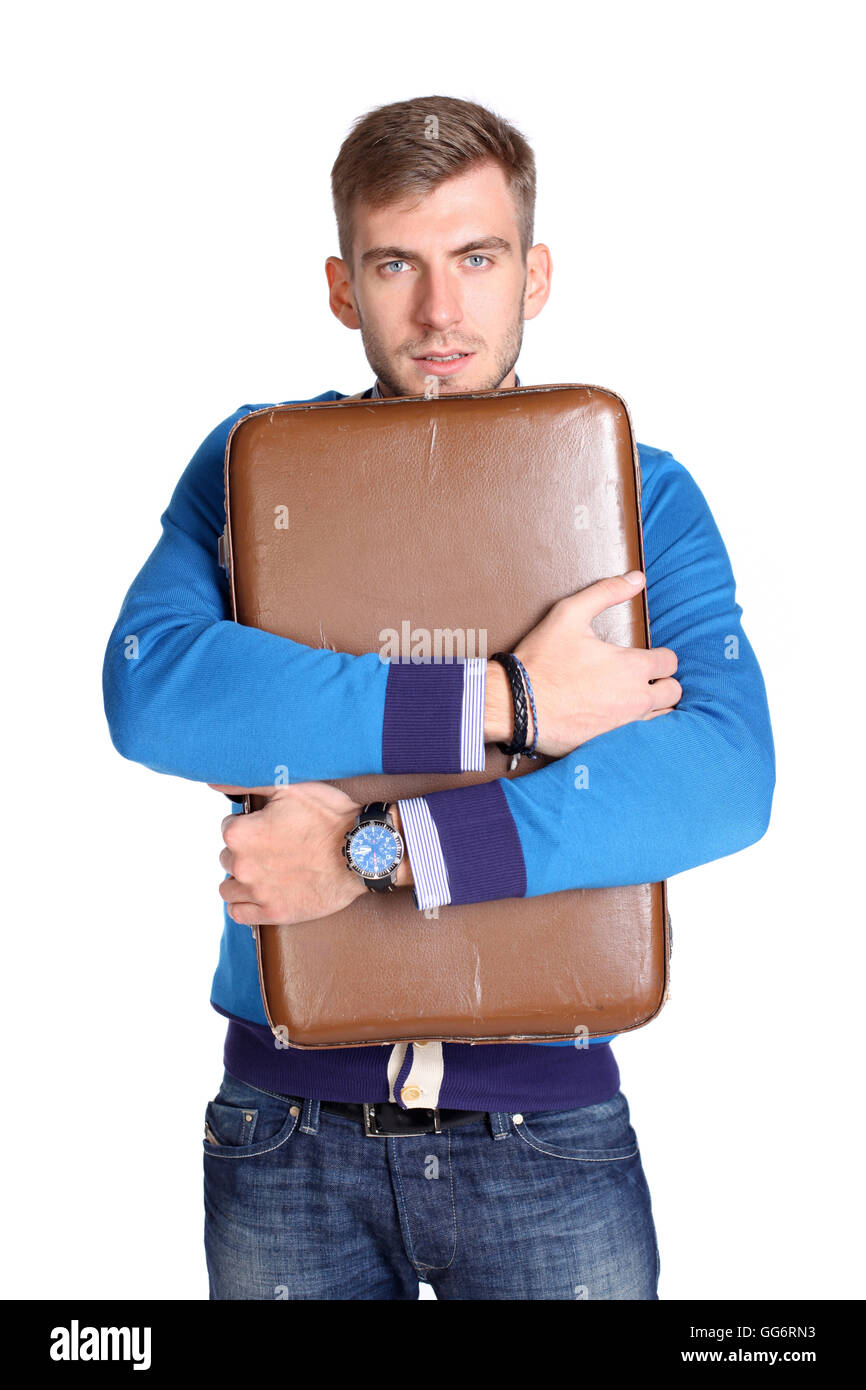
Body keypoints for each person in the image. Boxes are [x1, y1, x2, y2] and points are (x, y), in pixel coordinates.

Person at [103, 94, 775, 1300]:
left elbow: (721, 775)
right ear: (339, 285)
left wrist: (380, 846)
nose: (438, 310)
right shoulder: (251, 462)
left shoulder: (638, 491)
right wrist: (508, 700)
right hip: (284, 1123)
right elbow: (157, 694)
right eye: (394, 263)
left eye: (476, 257)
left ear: (537, 272)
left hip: (549, 1138)